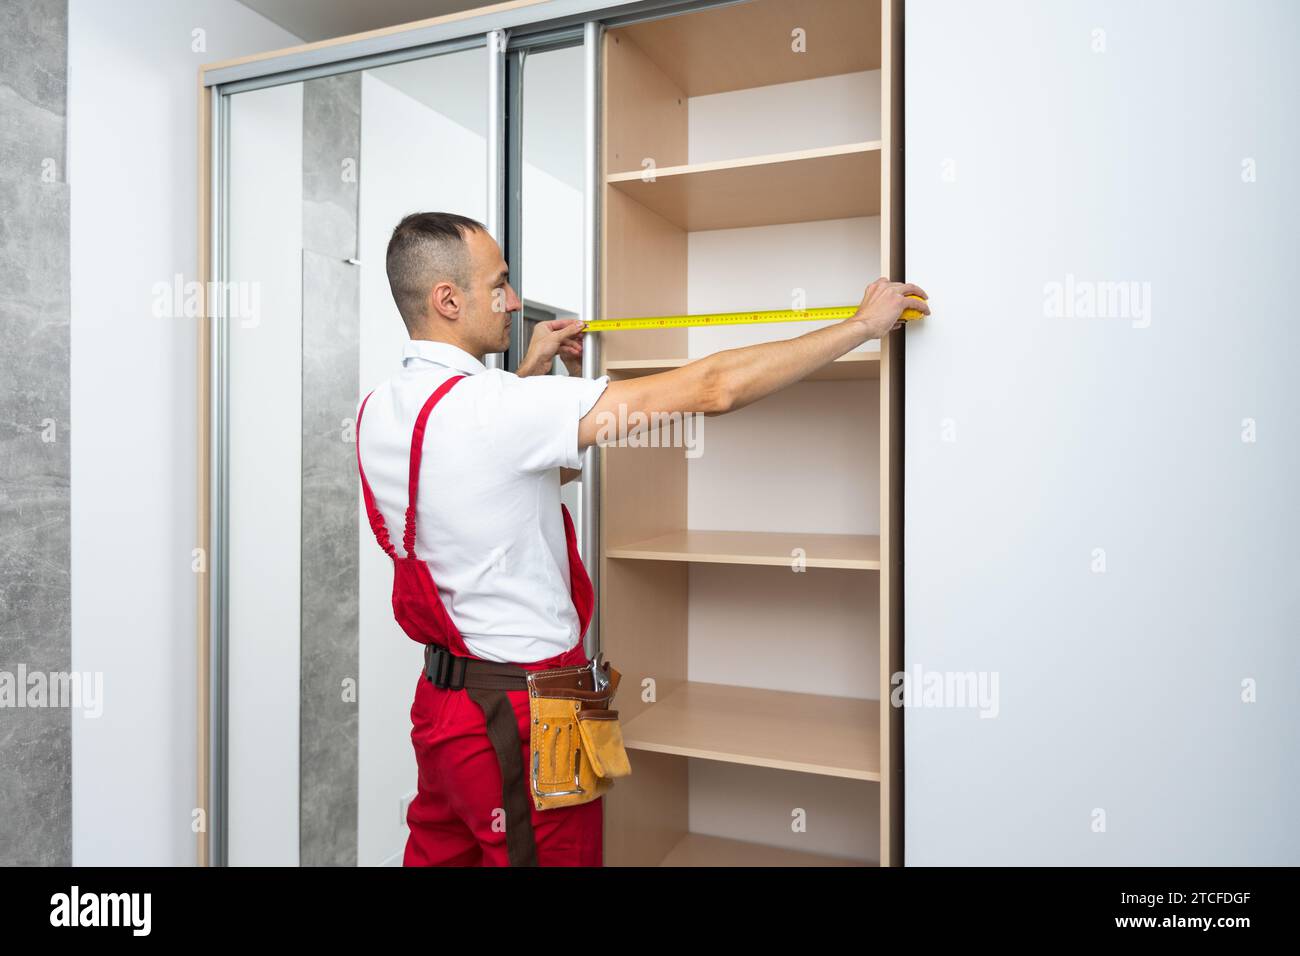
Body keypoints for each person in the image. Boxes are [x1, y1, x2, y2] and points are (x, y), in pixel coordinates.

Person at [355, 211, 928, 867]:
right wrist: (860, 325)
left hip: (443, 709)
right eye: (500, 284)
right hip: (538, 707)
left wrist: (539, 371)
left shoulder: (383, 408)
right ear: (447, 300)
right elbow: (711, 389)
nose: (512, 302)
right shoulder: (495, 407)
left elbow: (508, 468)